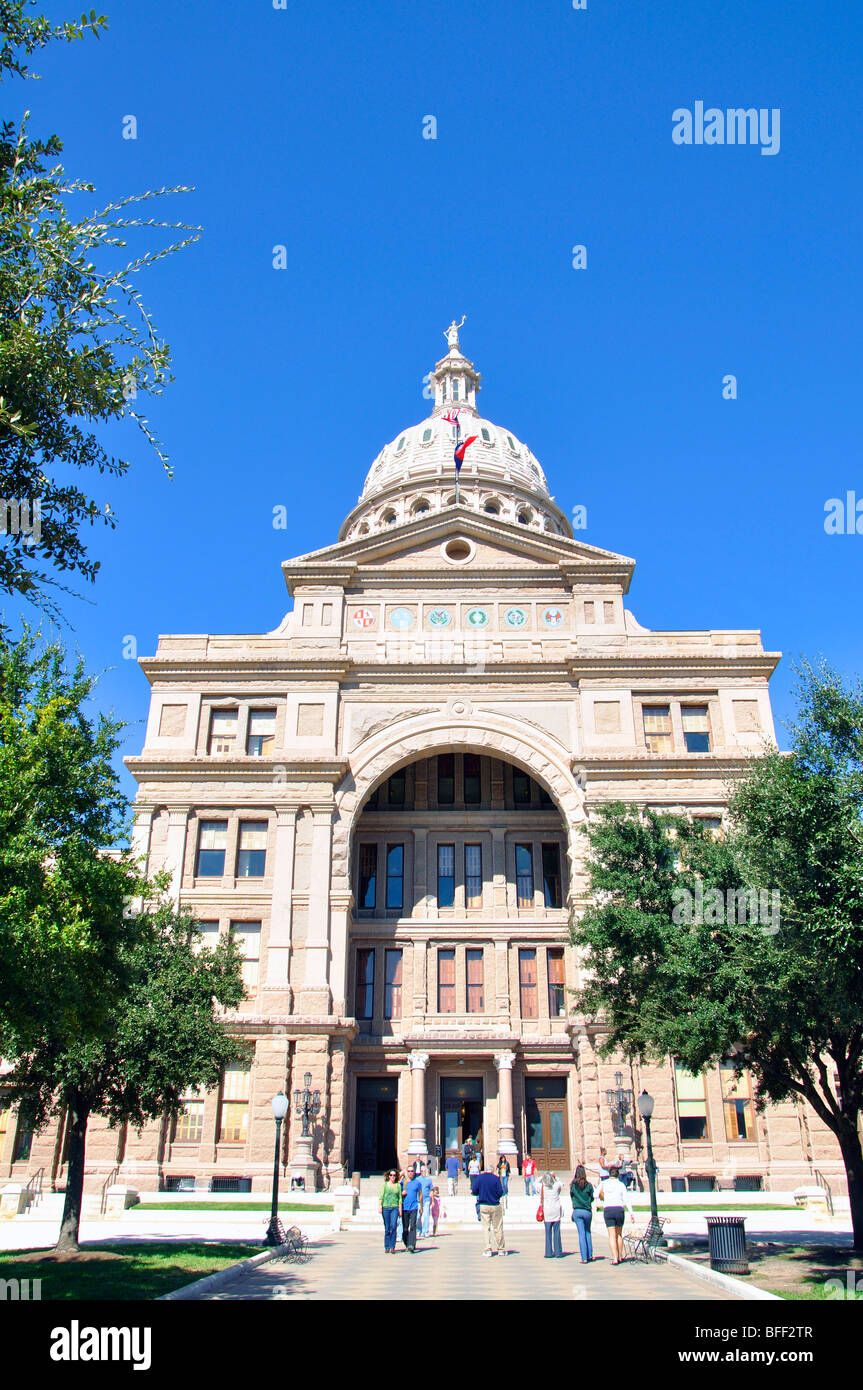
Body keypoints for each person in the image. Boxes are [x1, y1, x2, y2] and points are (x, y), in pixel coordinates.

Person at [597, 1164, 634, 1265]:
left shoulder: (604, 1183)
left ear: (609, 1174)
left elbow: (595, 1194)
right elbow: (626, 1199)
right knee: (619, 1234)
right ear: (617, 1175)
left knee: (611, 1235)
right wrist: (631, 1213)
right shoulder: (621, 1184)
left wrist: (602, 1195)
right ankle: (620, 1255)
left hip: (608, 1209)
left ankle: (615, 1258)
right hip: (619, 1209)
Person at [471, 1163, 508, 1257]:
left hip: (483, 1205)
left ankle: (488, 1249)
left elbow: (474, 1190)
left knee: (486, 1228)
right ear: (493, 1170)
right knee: (498, 1228)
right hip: (495, 1205)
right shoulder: (496, 1178)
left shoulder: (480, 1178)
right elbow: (500, 1192)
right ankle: (501, 1249)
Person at [569, 1164, 595, 1263]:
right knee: (588, 1232)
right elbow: (592, 1198)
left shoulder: (573, 1185)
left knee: (581, 1234)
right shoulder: (588, 1185)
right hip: (587, 1211)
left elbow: (571, 1196)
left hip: (577, 1210)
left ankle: (584, 1257)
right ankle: (590, 1255)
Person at [540, 1171, 564, 1258]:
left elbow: (535, 1183)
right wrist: (555, 1176)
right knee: (557, 1232)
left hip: (547, 1211)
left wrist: (542, 1176)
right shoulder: (556, 1186)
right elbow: (561, 1183)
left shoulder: (542, 1187)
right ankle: (558, 1252)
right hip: (556, 1210)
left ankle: (548, 1252)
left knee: (548, 1232)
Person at [378, 1169, 402, 1254]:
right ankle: (387, 1246)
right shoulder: (384, 1185)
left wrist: (400, 1210)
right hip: (386, 1207)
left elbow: (400, 1198)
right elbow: (381, 1196)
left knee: (394, 1226)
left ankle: (392, 1247)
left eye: (394, 1175)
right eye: (391, 1175)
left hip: (394, 1207)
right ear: (388, 1176)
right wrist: (380, 1206)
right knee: (387, 1228)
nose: (392, 1177)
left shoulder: (398, 1186)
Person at [401, 1167, 423, 1253]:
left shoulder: (417, 1183)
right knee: (405, 1228)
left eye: (412, 1171)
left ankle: (412, 1245)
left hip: (414, 1207)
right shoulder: (403, 1182)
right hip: (404, 1208)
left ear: (414, 1172)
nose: (410, 1173)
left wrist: (421, 1206)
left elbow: (420, 1194)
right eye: (409, 1171)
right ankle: (407, 1243)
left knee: (413, 1226)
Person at [418, 1163, 434, 1238]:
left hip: (426, 1200)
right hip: (418, 1201)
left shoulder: (429, 1180)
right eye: (421, 1171)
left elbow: (431, 1190)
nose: (422, 1172)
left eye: (423, 1171)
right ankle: (419, 1230)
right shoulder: (417, 1179)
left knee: (426, 1215)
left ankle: (426, 1231)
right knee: (418, 1216)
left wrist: (433, 1201)